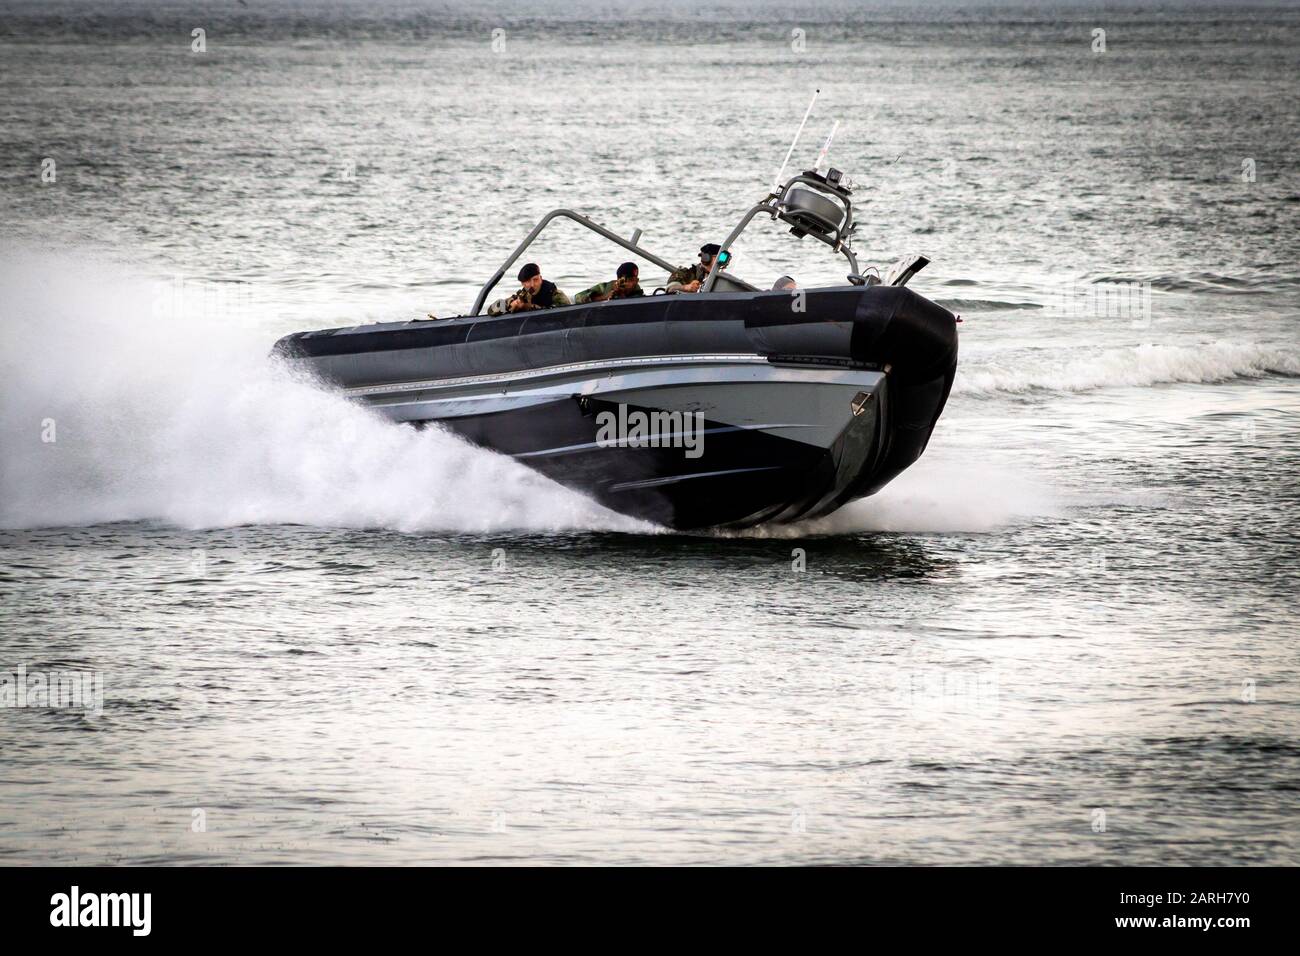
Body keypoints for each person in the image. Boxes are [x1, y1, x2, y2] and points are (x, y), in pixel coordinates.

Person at [488, 263, 571, 315]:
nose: (532, 285)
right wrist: (510, 304)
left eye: (535, 280)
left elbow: (557, 316)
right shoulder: (523, 295)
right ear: (523, 284)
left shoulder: (556, 295)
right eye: (528, 281)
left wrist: (527, 307)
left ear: (541, 279)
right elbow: (491, 310)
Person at [575, 262, 645, 304]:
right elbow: (577, 298)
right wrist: (604, 297)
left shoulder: (637, 291)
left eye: (635, 280)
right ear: (619, 280)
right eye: (629, 280)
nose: (633, 284)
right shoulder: (605, 287)